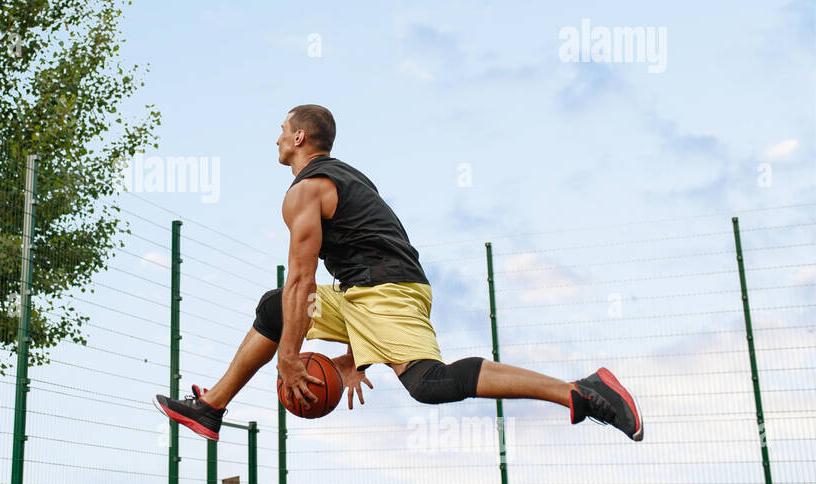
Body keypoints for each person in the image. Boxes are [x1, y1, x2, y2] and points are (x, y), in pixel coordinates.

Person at [155, 105, 644, 444]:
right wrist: (354, 355)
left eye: (282, 130)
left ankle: (581, 391)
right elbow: (341, 265)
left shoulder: (306, 191)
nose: (278, 138)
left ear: (300, 137)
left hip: (387, 292)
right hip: (368, 293)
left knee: (429, 383)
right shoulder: (345, 177)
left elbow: (302, 283)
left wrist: (288, 359)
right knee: (272, 306)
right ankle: (212, 408)